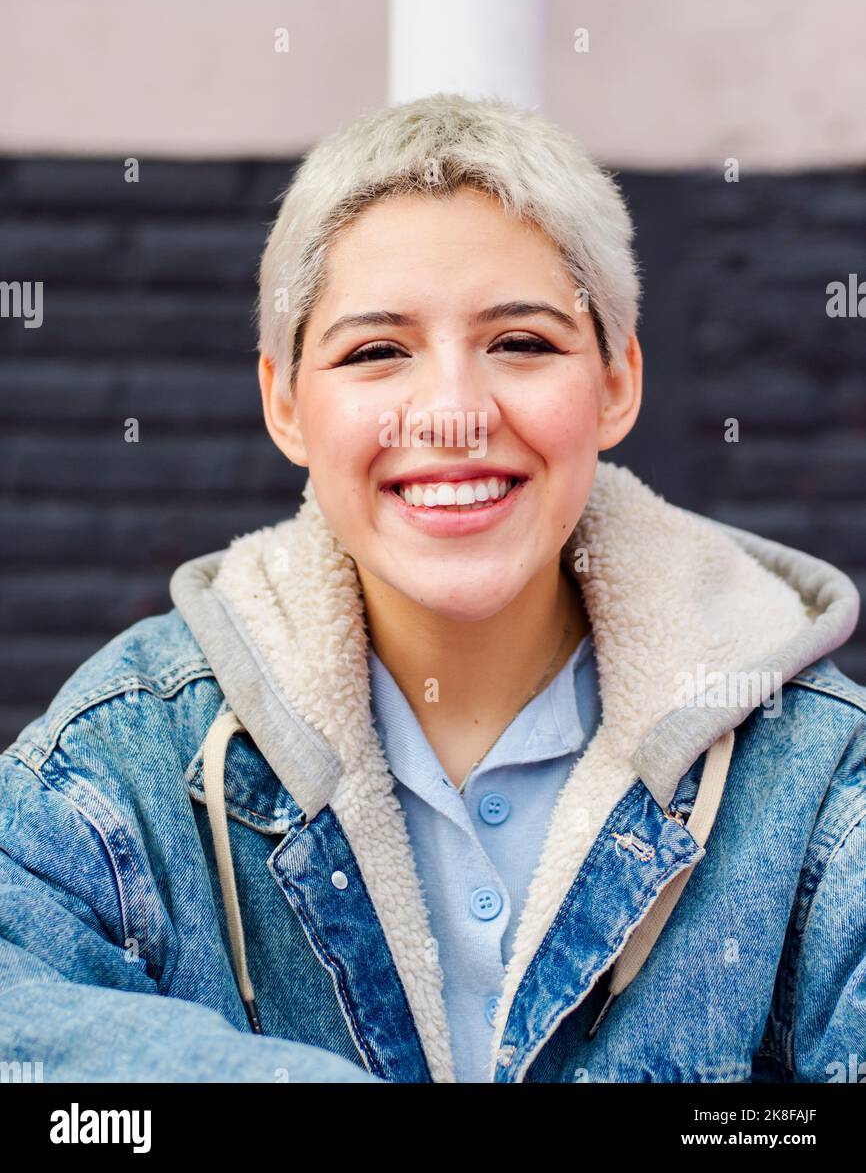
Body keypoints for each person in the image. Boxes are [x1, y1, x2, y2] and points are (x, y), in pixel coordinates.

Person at [1, 92, 864, 1084]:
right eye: (377, 351)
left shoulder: (810, 773)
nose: (452, 414)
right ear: (285, 404)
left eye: (521, 342)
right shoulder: (132, 751)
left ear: (616, 382)